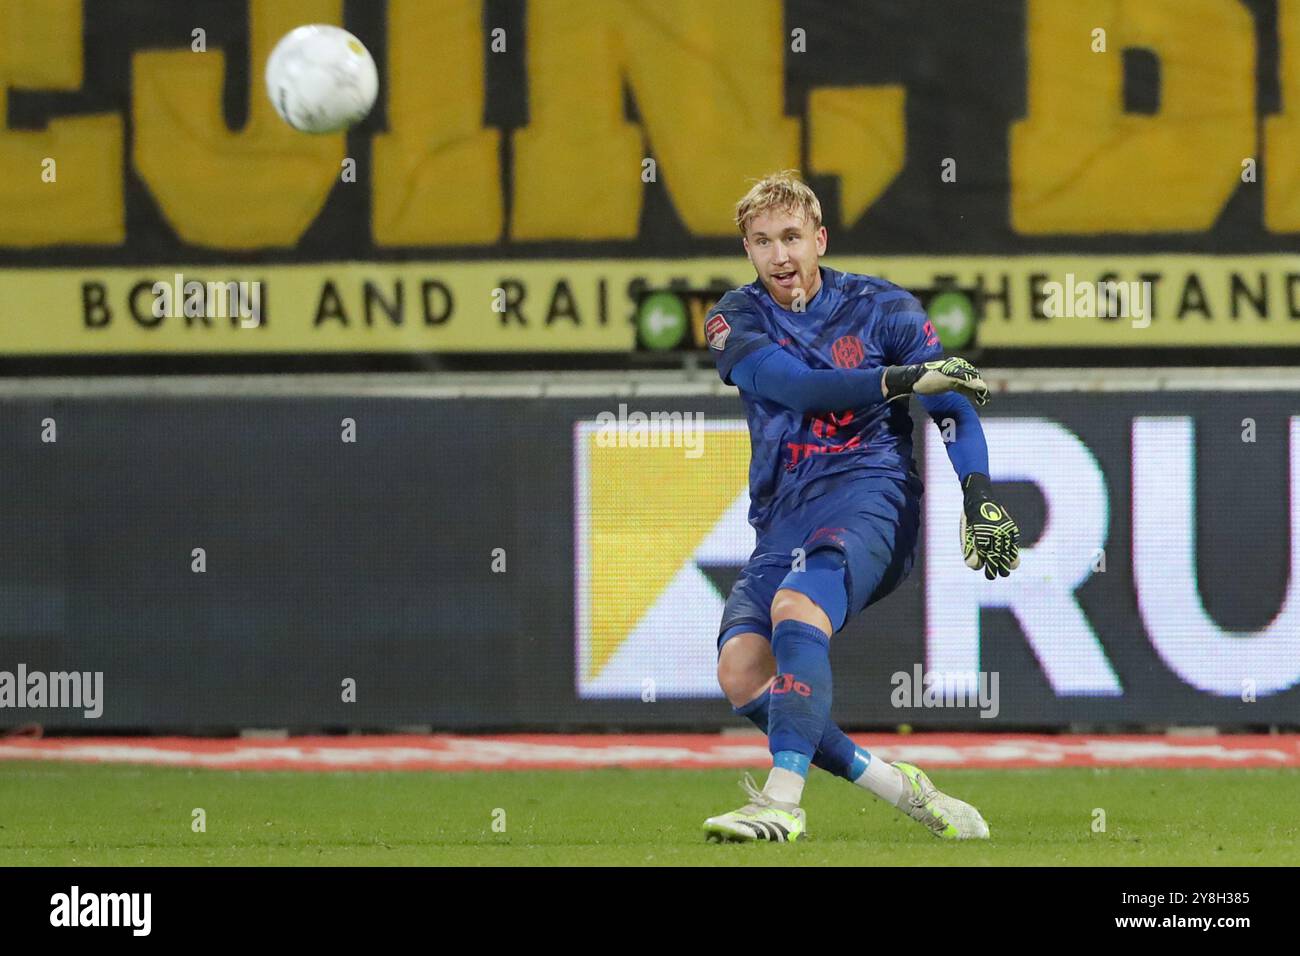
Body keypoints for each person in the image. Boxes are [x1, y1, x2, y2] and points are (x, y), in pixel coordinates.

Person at [702, 171, 1020, 843]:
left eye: (791, 238)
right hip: (784, 514)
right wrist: (902, 378)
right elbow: (797, 387)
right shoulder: (734, 318)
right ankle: (894, 785)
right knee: (741, 672)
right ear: (748, 252)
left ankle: (782, 803)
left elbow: (950, 405)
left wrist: (978, 494)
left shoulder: (883, 308)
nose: (780, 257)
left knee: (796, 610)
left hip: (871, 495)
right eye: (762, 243)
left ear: (819, 239)